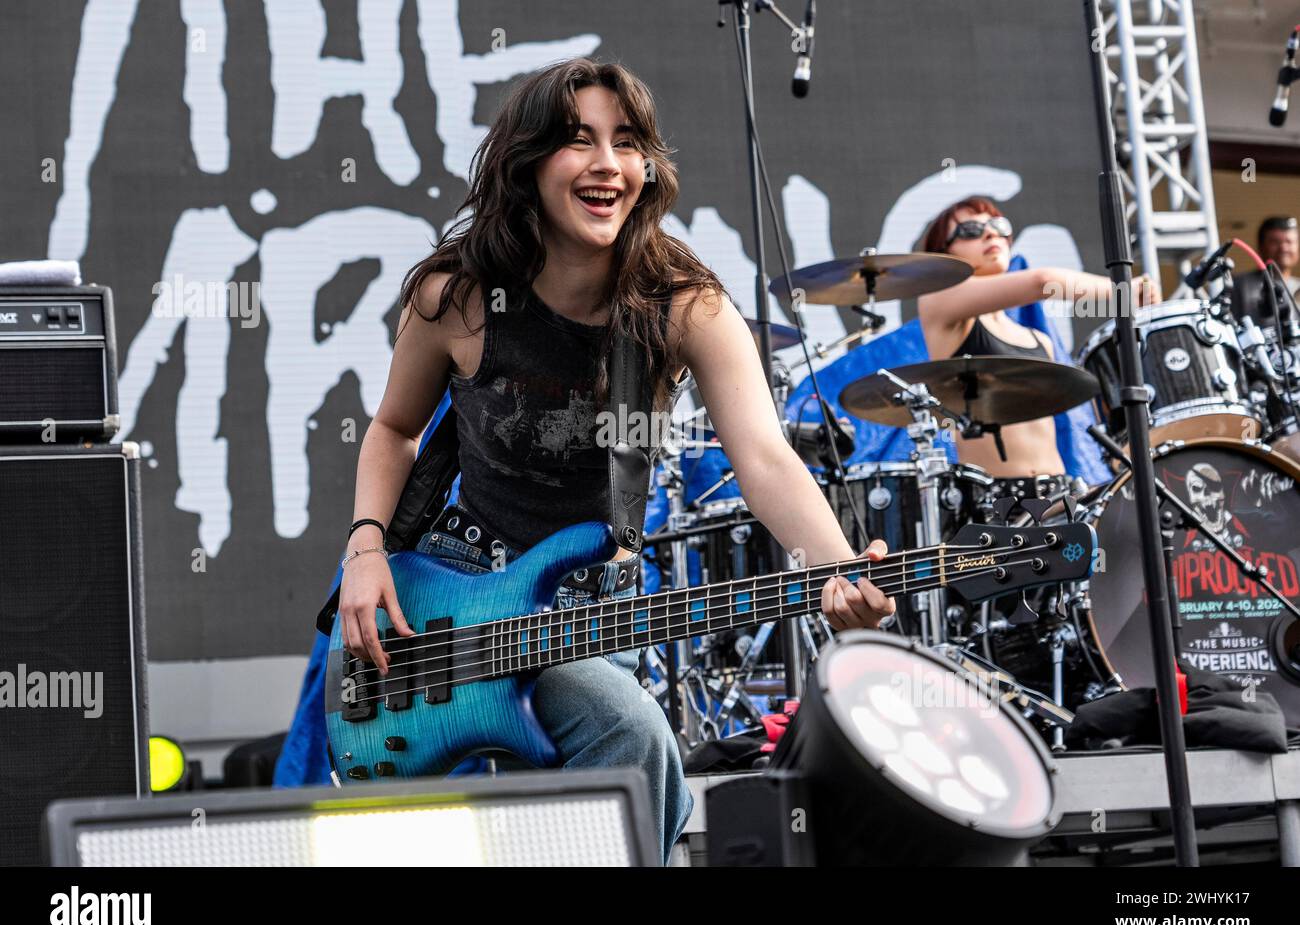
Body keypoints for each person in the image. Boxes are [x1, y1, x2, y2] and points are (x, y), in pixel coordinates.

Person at [335, 58, 895, 865]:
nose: (608, 164)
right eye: (577, 141)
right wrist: (364, 552)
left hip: (594, 612)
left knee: (629, 788)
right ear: (525, 165)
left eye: (626, 143)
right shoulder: (455, 296)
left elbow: (765, 459)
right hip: (448, 603)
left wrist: (839, 567)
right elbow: (392, 430)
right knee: (629, 745)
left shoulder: (682, 304)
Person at [917, 195, 1160, 483]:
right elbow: (1042, 282)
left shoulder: (1037, 339)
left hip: (1058, 493)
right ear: (944, 253)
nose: (990, 233)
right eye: (969, 230)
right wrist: (1123, 294)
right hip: (995, 502)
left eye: (998, 225)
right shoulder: (937, 303)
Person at [1232, 215, 1299, 321]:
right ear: (1261, 247)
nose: (1283, 248)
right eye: (1275, 242)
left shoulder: (1298, 286)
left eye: (1289, 242)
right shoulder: (1239, 286)